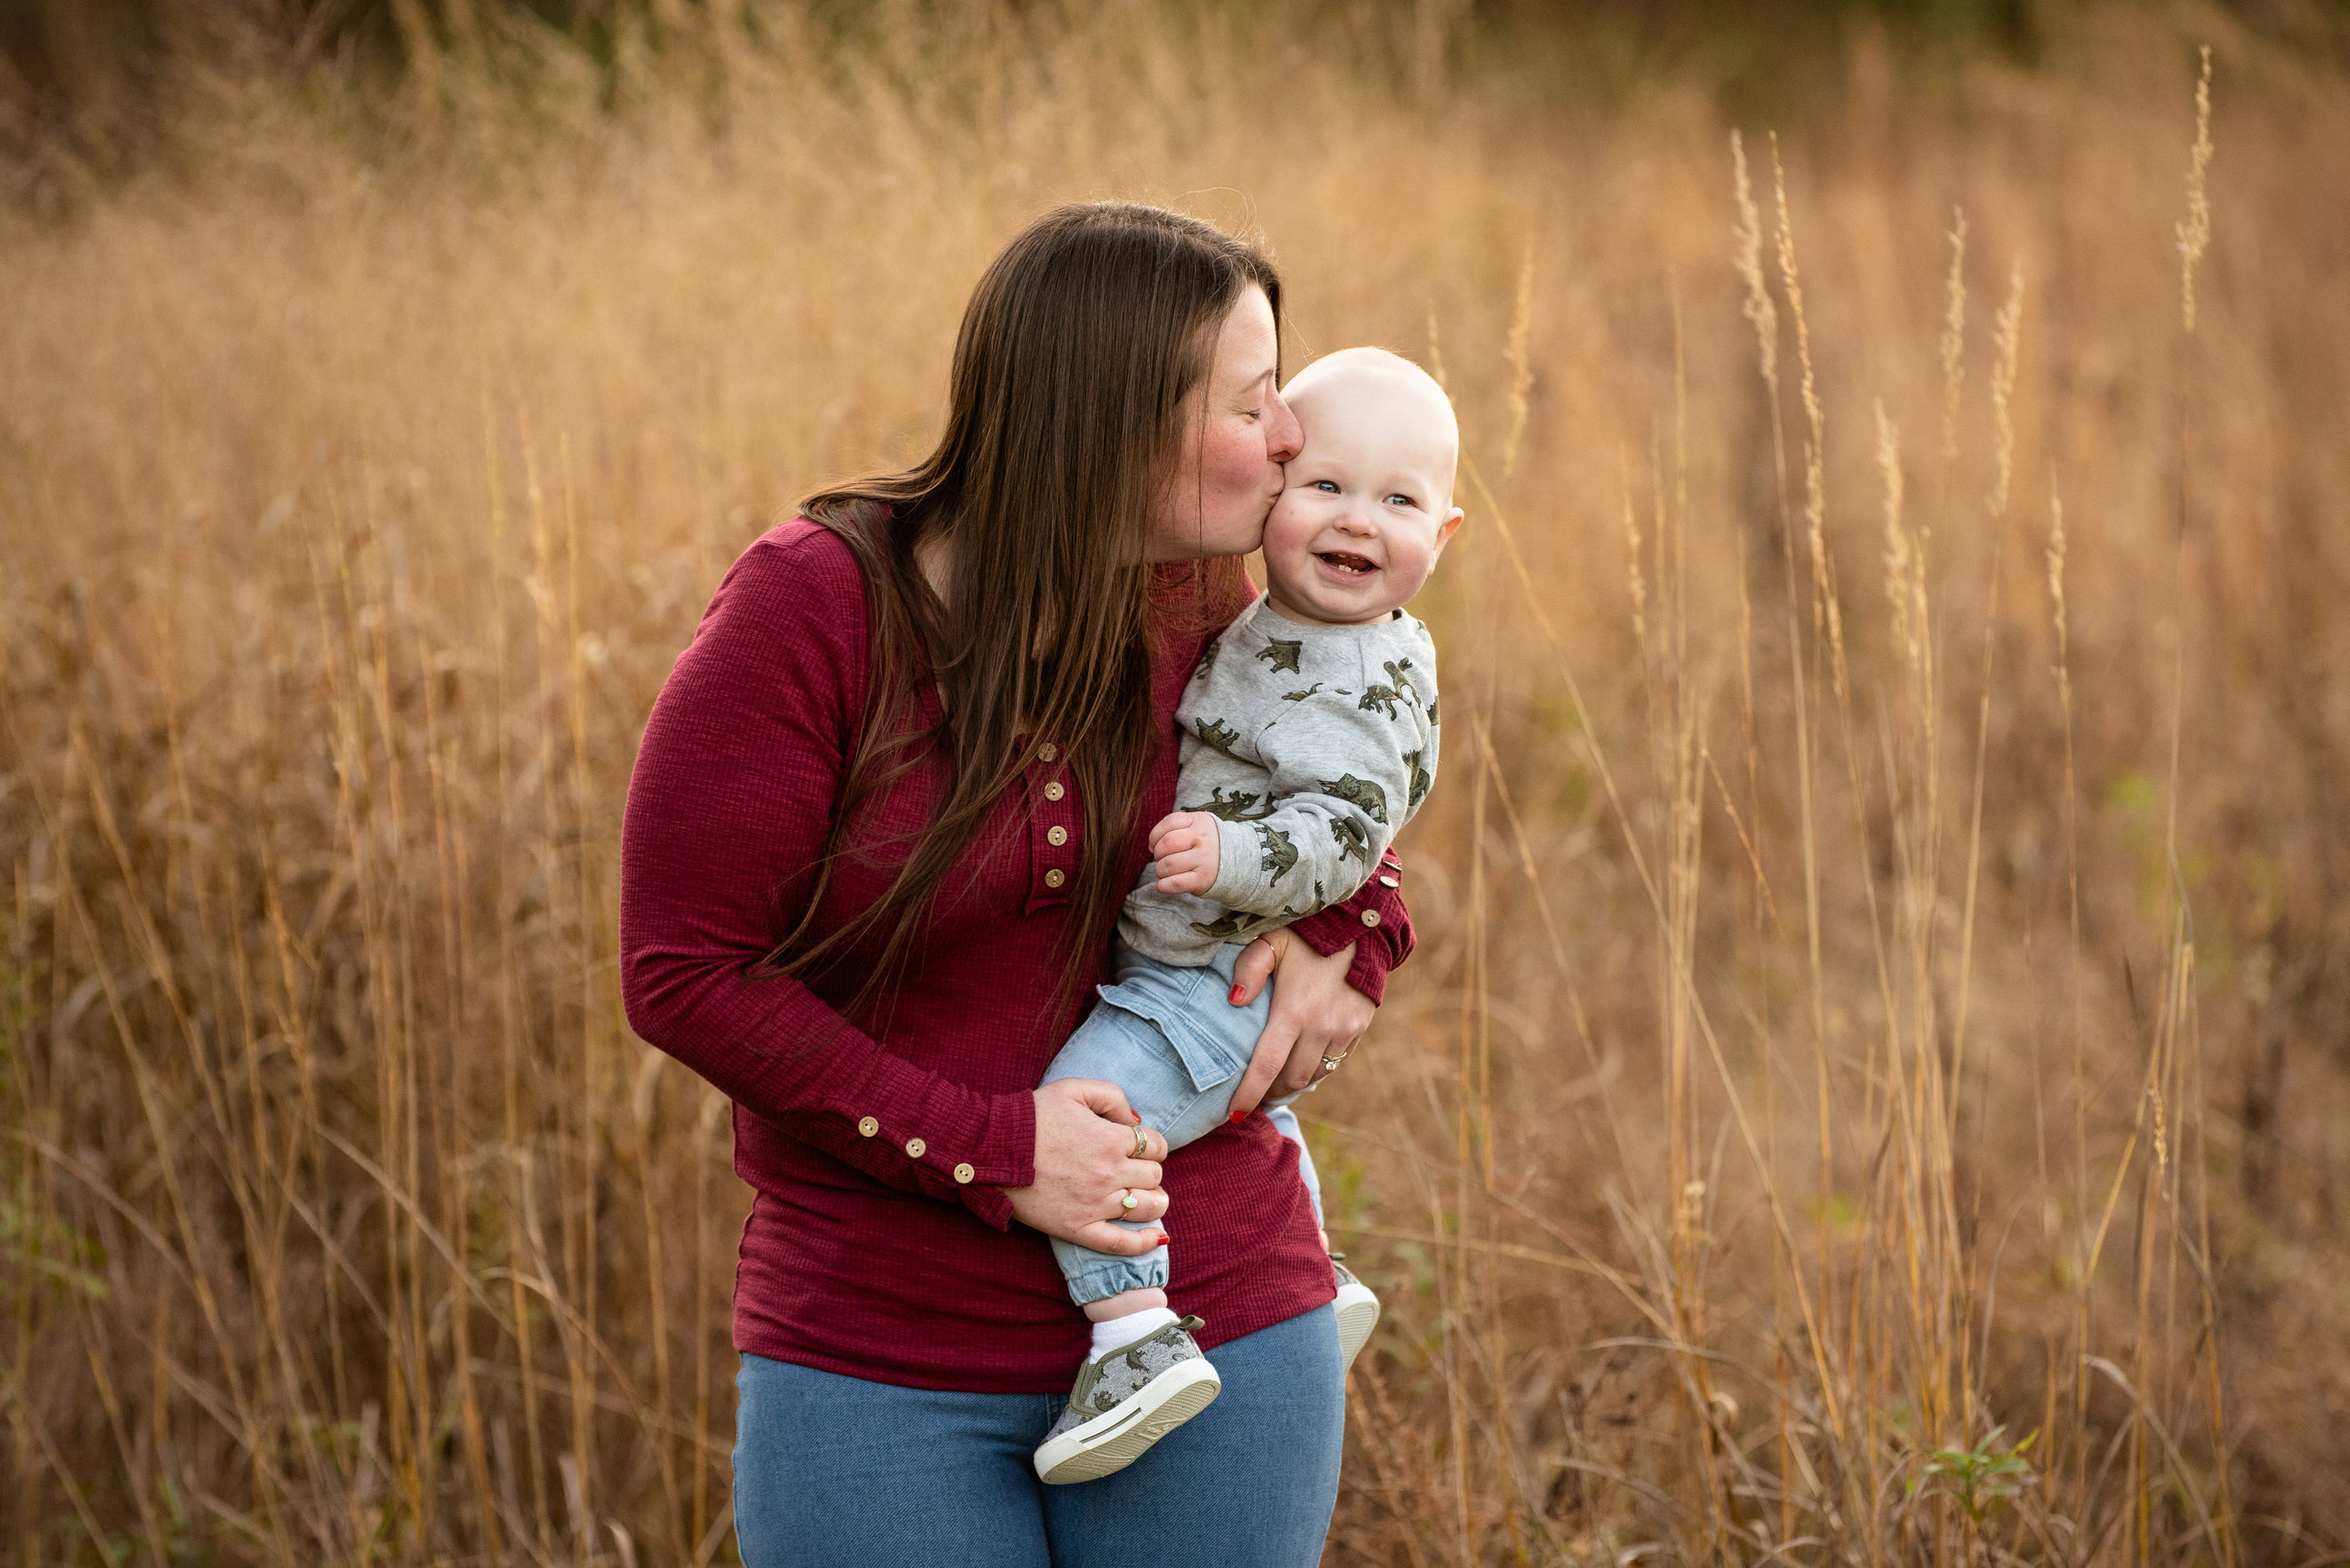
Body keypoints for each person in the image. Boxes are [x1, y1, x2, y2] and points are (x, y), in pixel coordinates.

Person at [617, 203, 1415, 1568]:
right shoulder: (816, 608)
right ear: (1112, 418)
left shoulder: (1217, 599)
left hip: (1221, 1318)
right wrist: (1000, 1147)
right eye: (1253, 399)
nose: (1292, 435)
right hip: (879, 1350)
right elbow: (685, 971)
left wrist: (1355, 943)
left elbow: (1357, 790)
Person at [1030, 348, 1460, 1486]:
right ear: (1273, 489)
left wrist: (1237, 857)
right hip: (1213, 970)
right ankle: (1318, 1267)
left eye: (1398, 500)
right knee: (1255, 1115)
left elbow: (1349, 826)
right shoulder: (1293, 625)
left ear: (1446, 534)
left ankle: (1132, 1335)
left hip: (1205, 978)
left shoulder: (1352, 668)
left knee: (1092, 1113)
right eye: (1325, 485)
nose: (1357, 518)